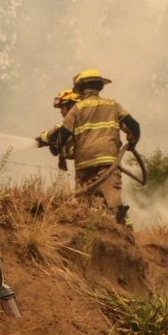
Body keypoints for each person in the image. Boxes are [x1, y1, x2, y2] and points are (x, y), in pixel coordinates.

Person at [61, 68, 140, 225]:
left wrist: (61, 153)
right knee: (113, 205)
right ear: (100, 86)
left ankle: (88, 234)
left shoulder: (77, 109)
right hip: (108, 164)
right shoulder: (113, 105)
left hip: (84, 164)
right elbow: (134, 126)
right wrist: (132, 141)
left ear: (81, 90)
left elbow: (63, 135)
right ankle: (122, 235)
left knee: (84, 204)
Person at [35, 89, 80, 172]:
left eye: (62, 107)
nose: (61, 111)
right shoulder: (87, 118)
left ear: (70, 106)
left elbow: (52, 133)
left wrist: (41, 138)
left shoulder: (68, 123)